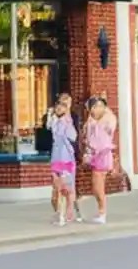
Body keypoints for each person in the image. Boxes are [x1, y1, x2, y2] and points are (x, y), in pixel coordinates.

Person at [82, 96, 118, 224]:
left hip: (103, 154)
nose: (97, 109)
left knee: (98, 186)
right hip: (94, 154)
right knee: (96, 186)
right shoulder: (91, 122)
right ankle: (101, 211)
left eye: (100, 106)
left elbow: (110, 125)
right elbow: (87, 139)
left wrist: (104, 108)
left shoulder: (107, 120)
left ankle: (102, 213)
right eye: (95, 106)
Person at [47, 96, 78, 226]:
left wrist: (67, 116)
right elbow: (48, 126)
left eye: (63, 106)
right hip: (56, 157)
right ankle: (59, 212)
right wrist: (50, 115)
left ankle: (67, 213)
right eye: (58, 105)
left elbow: (74, 136)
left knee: (66, 188)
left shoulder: (68, 121)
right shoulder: (55, 121)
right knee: (56, 188)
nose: (59, 108)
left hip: (66, 158)